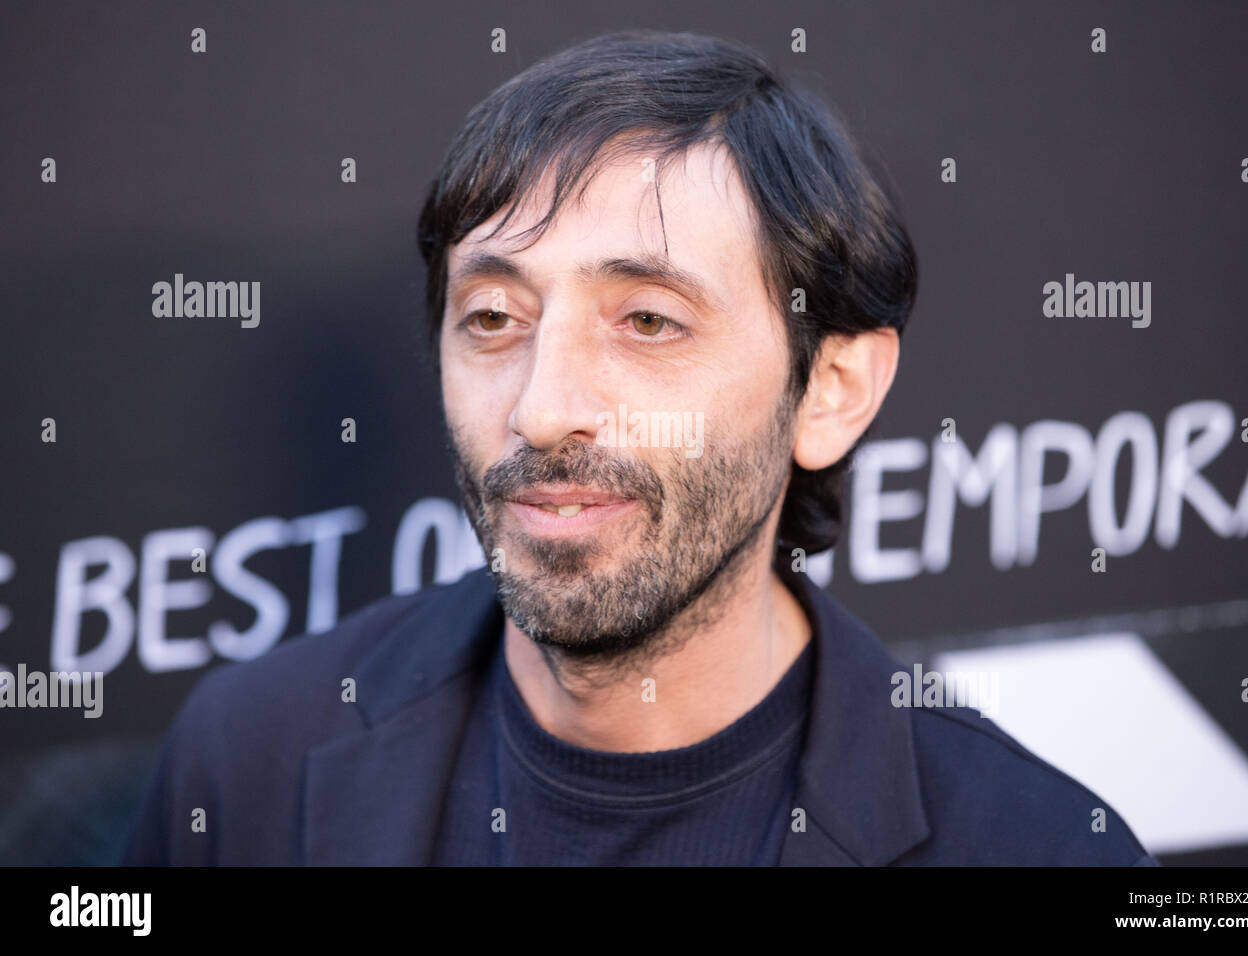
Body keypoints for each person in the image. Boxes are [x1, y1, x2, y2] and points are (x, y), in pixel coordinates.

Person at [123, 29, 1155, 866]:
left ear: (829, 391)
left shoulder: (1034, 848)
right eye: (491, 317)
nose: (542, 408)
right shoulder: (251, 756)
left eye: (648, 321)